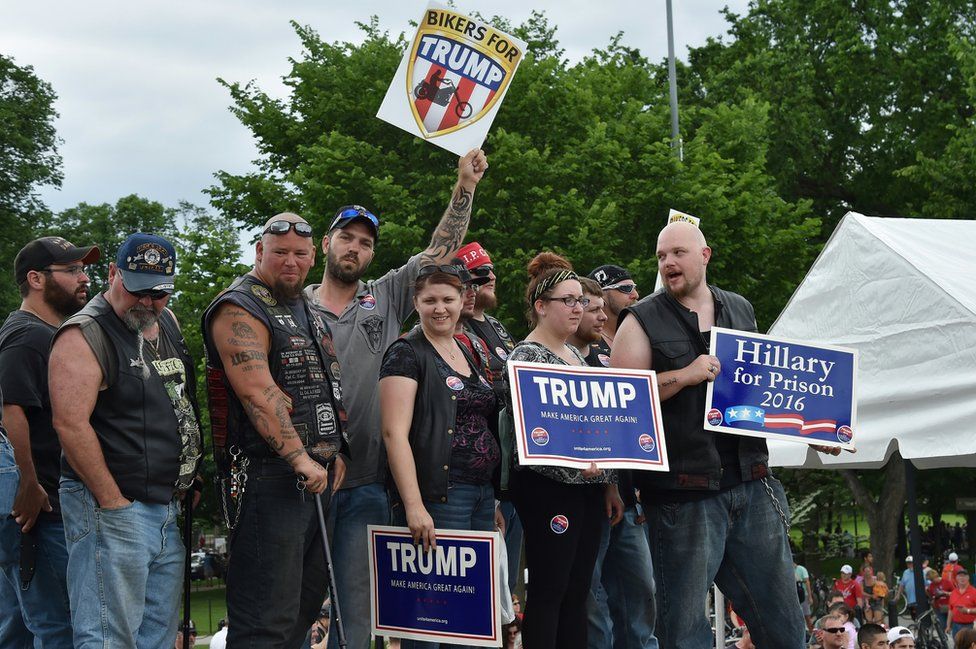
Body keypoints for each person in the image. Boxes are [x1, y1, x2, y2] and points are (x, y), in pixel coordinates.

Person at [304, 150, 487, 649]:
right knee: (293, 607)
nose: (355, 248)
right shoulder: (292, 306)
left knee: (358, 611)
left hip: (365, 481)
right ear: (326, 243)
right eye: (346, 237)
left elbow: (438, 254)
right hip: (301, 479)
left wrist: (465, 185)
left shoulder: (382, 298)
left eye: (365, 243)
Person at [611, 221, 811, 648]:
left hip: (752, 482)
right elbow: (622, 403)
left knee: (785, 625)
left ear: (705, 255)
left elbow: (763, 386)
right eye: (662, 256)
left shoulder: (740, 307)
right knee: (684, 633)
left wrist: (815, 425)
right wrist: (684, 375)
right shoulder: (640, 319)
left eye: (678, 253)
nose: (668, 263)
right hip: (683, 496)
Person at [48, 233, 203, 648]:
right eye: (136, 290)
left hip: (166, 506)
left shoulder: (165, 320)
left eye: (159, 293)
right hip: (115, 507)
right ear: (113, 274)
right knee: (107, 636)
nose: (147, 303)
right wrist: (112, 501)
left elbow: (178, 399)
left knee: (157, 636)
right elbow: (69, 424)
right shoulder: (82, 334)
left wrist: (188, 476)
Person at [203, 213, 347, 648]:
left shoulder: (303, 304)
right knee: (266, 618)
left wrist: (332, 450)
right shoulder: (238, 306)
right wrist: (302, 458)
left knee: (303, 611)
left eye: (300, 254)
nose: (291, 262)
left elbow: (320, 384)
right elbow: (258, 393)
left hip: (316, 479)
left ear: (312, 256)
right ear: (259, 252)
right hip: (270, 477)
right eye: (279, 252)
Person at [505, 253, 623, 649]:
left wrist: (606, 474)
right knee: (550, 588)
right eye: (568, 301)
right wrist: (578, 463)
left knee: (578, 591)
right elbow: (534, 435)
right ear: (541, 307)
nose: (580, 308)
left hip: (587, 488)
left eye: (582, 301)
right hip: (547, 489)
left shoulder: (576, 355)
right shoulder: (525, 357)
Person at [379, 265, 501, 642]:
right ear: (416, 303)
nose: (440, 308)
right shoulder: (405, 352)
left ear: (464, 300)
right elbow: (393, 433)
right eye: (429, 300)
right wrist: (414, 506)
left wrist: (493, 497)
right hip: (440, 498)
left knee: (471, 617)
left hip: (480, 495)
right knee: (433, 619)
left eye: (447, 299)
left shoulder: (469, 349)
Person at [0, 236, 99, 648]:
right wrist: (28, 481)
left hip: (43, 504)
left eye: (84, 269)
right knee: (57, 626)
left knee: (22, 628)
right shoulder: (28, 336)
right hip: (40, 509)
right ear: (36, 279)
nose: (84, 278)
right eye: (72, 270)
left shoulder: (48, 332)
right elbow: (13, 411)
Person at [578, 275, 658, 649]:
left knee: (641, 588)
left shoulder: (624, 351)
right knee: (592, 597)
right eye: (588, 306)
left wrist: (635, 486)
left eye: (596, 308)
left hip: (627, 492)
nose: (635, 296)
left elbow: (636, 427)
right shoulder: (565, 356)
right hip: (583, 497)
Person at [456, 241, 522, 594]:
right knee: (481, 591)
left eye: (491, 270)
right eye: (480, 275)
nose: (491, 277)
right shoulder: (453, 330)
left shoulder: (497, 327)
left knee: (505, 588)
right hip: (475, 477)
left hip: (510, 473)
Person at [587, 264, 639, 352]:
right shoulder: (584, 341)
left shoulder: (642, 337)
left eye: (634, 288)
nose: (636, 295)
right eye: (626, 288)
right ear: (601, 295)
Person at [569, 277, 610, 367]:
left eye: (602, 309)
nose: (604, 317)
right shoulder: (544, 360)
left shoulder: (609, 362)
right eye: (594, 310)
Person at [946, 568, 976, 637]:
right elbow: (950, 610)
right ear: (956, 578)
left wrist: (968, 610)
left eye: (964, 576)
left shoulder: (974, 592)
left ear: (968, 578)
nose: (962, 578)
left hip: (970, 626)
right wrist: (948, 626)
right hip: (955, 626)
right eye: (960, 576)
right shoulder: (953, 593)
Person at [925, 567, 952, 631]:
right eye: (930, 580)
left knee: (951, 625)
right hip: (939, 608)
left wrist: (945, 593)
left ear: (935, 576)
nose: (932, 582)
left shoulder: (947, 582)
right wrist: (927, 593)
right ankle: (945, 639)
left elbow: (954, 593)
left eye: (932, 580)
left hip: (948, 607)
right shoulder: (931, 585)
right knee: (942, 626)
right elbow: (932, 597)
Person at [795, 558, 815, 632]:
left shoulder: (801, 569)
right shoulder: (788, 569)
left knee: (807, 616)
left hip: (804, 595)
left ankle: (812, 632)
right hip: (795, 596)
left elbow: (807, 582)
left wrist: (810, 597)